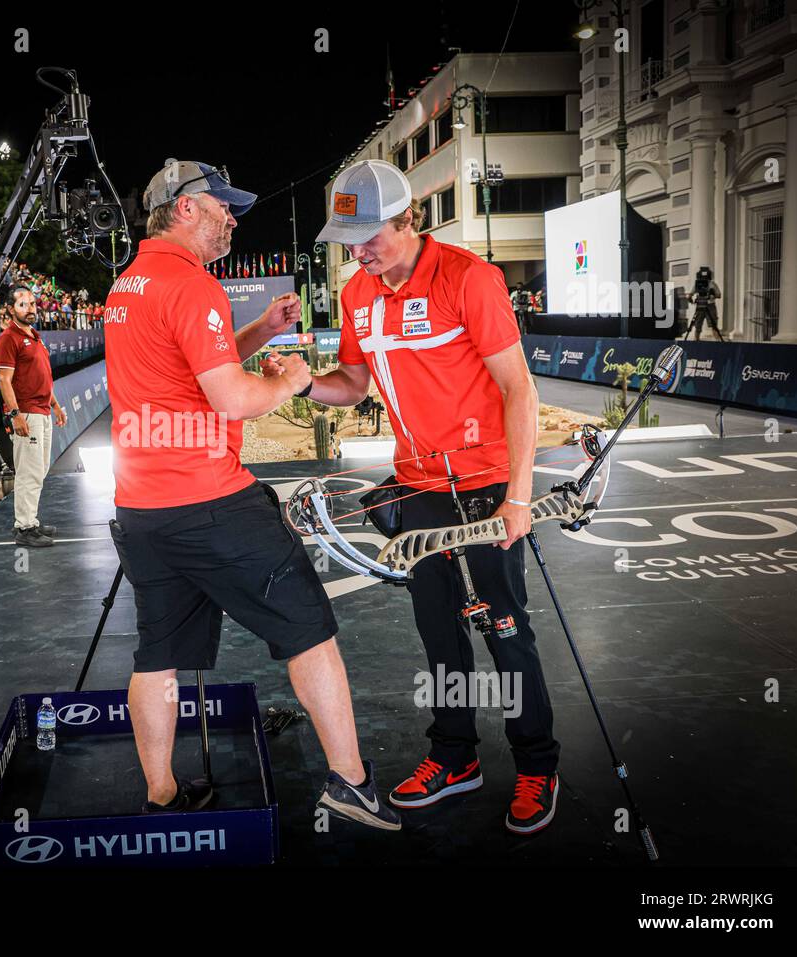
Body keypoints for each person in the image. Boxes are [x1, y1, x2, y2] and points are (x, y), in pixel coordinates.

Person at [101, 158, 400, 829]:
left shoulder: (129, 284)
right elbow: (233, 399)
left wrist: (260, 330)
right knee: (310, 629)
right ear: (184, 209)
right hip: (210, 500)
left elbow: (192, 369)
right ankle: (351, 783)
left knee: (159, 653)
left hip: (142, 508)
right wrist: (291, 381)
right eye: (221, 207)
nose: (232, 219)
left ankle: (162, 794)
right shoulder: (193, 284)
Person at [307, 159, 557, 835]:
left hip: (486, 486)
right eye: (349, 237)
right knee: (438, 629)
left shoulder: (469, 279)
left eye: (371, 234)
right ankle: (455, 755)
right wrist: (302, 383)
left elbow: (520, 391)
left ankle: (537, 760)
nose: (359, 250)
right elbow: (354, 385)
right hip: (417, 486)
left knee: (504, 627)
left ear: (408, 218)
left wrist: (519, 496)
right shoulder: (358, 294)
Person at [0, 286, 67, 547]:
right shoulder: (8, 338)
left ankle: (31, 520)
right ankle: (24, 528)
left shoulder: (34, 336)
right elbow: (4, 380)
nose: (31, 308)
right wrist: (15, 415)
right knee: (29, 473)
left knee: (39, 470)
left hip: (43, 411)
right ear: (11, 310)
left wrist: (56, 405)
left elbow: (43, 377)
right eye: (23, 304)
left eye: (33, 303)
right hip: (26, 413)